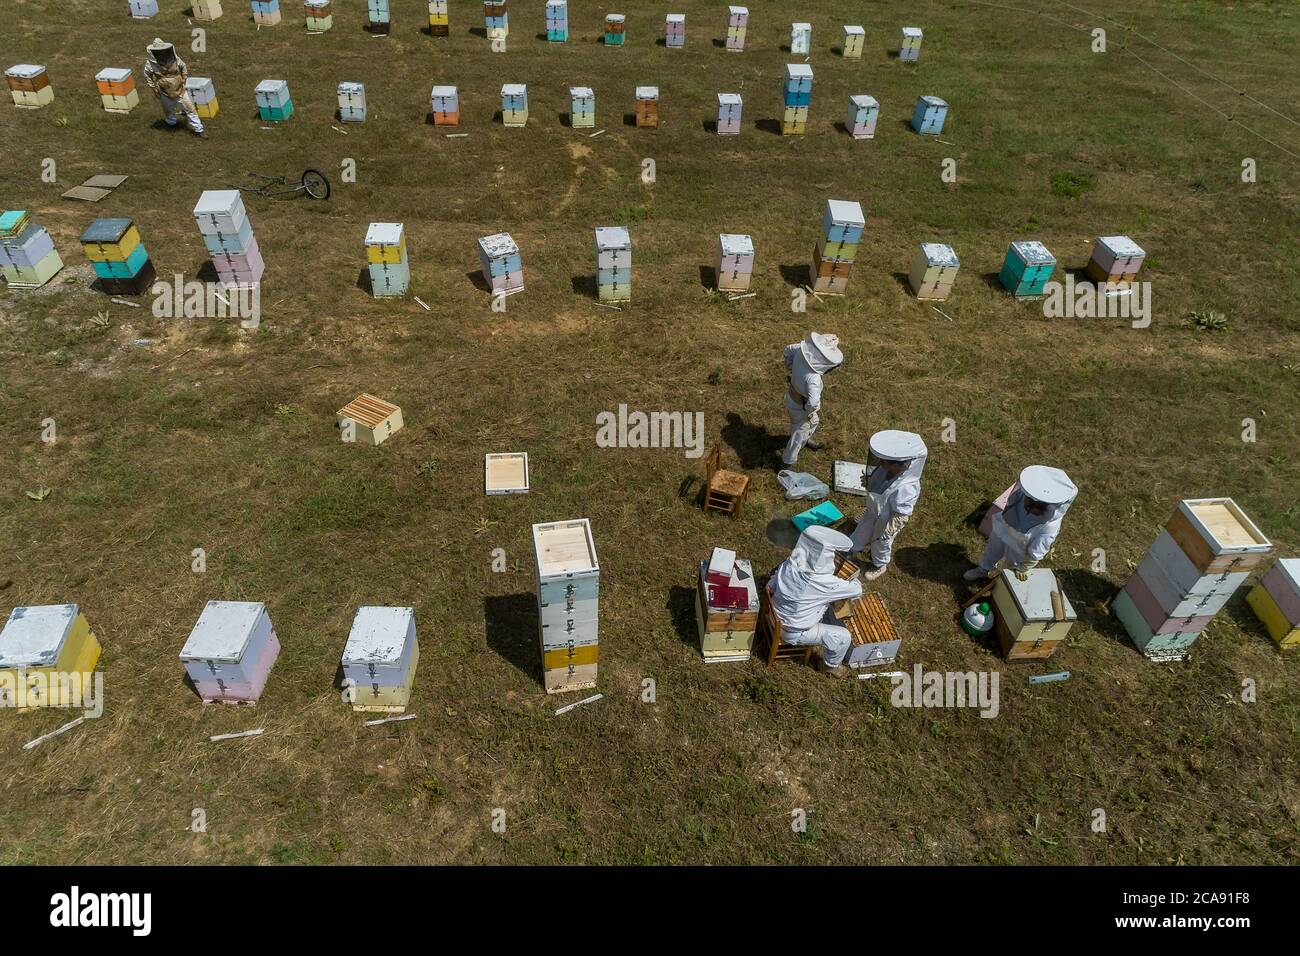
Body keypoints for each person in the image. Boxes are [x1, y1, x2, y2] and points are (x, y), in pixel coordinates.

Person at [770, 526, 862, 677]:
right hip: (793, 631)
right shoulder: (824, 582)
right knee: (843, 637)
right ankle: (830, 667)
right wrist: (853, 578)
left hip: (773, 615)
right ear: (825, 557)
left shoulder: (790, 564)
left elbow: (771, 585)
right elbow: (856, 590)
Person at [963, 465, 1077, 582]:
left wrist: (1024, 567)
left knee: (1012, 570)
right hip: (1003, 529)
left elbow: (1037, 551)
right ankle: (983, 569)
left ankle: (1001, 584)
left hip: (1020, 547)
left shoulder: (1049, 526)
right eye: (1029, 503)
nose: (1029, 509)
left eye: (1036, 508)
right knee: (992, 551)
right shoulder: (1022, 495)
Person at [848, 430, 927, 580]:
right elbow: (878, 483)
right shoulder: (886, 469)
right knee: (863, 529)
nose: (880, 463)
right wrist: (869, 482)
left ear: (900, 465)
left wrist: (889, 529)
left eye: (885, 461)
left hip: (886, 520)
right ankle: (853, 547)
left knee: (881, 543)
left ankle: (880, 565)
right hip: (873, 510)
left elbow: (902, 514)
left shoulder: (907, 488)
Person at [782, 332, 842, 468]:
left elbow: (788, 350)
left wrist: (791, 368)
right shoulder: (813, 378)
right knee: (800, 432)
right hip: (800, 406)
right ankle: (787, 461)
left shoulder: (799, 350)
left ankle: (806, 439)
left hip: (791, 396)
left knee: (813, 422)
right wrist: (809, 411)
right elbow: (814, 402)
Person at [143, 38, 207, 139]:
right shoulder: (150, 63)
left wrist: (184, 77)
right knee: (168, 111)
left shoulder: (174, 58)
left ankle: (199, 130)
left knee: (190, 109)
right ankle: (171, 124)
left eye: (162, 50)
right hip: (164, 91)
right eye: (158, 51)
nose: (161, 53)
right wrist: (153, 88)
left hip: (180, 90)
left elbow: (183, 66)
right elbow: (147, 75)